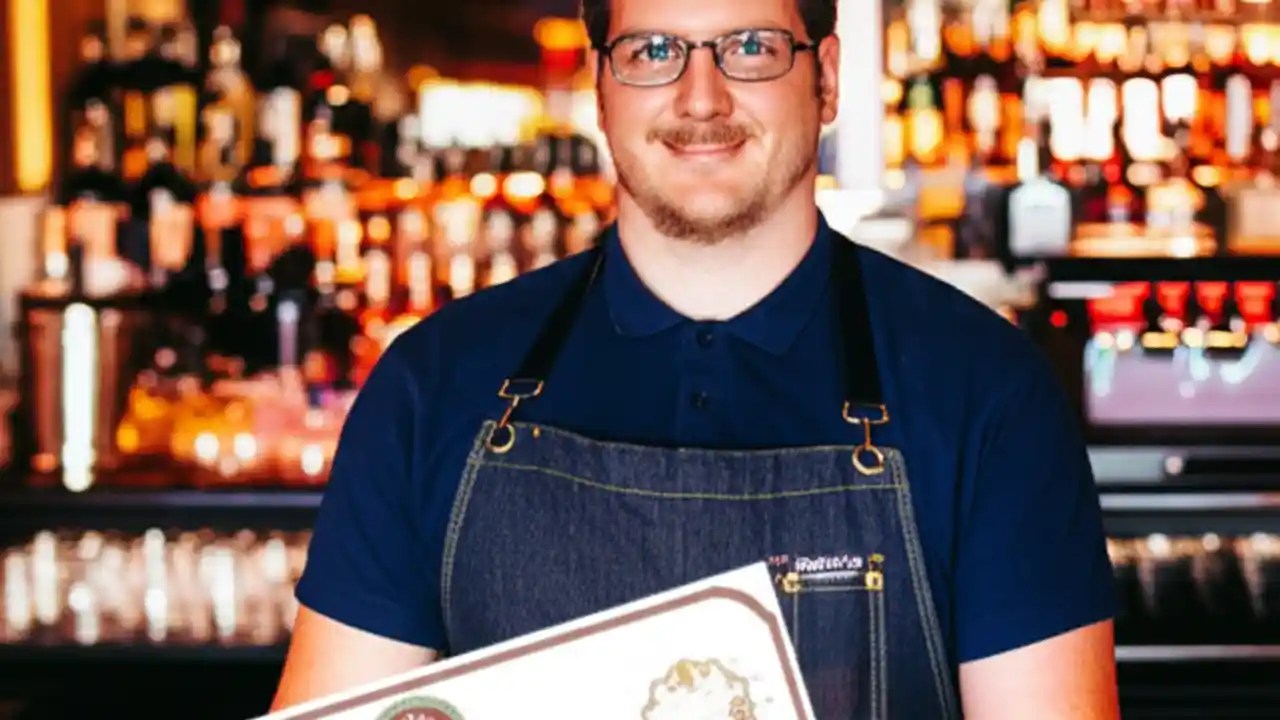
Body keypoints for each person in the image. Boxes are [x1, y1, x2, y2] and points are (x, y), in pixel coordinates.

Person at [271, 0, 1120, 716]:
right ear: (600, 90)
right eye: (652, 51)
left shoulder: (987, 393)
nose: (700, 96)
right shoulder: (431, 385)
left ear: (825, 80)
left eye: (750, 48)